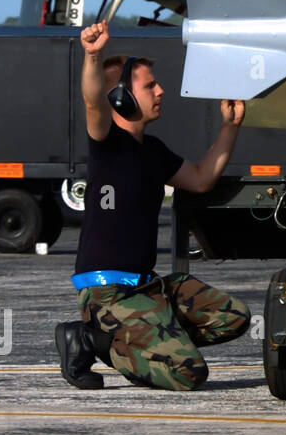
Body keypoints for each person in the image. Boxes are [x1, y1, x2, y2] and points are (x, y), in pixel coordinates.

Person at [54, 21, 251, 391]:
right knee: (187, 373)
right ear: (121, 98)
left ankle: (147, 339)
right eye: (149, 85)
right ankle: (90, 339)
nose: (160, 90)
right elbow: (92, 100)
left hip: (149, 288)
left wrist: (231, 127)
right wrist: (93, 54)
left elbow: (201, 179)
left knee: (234, 317)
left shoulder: (154, 151)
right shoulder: (106, 141)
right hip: (108, 292)